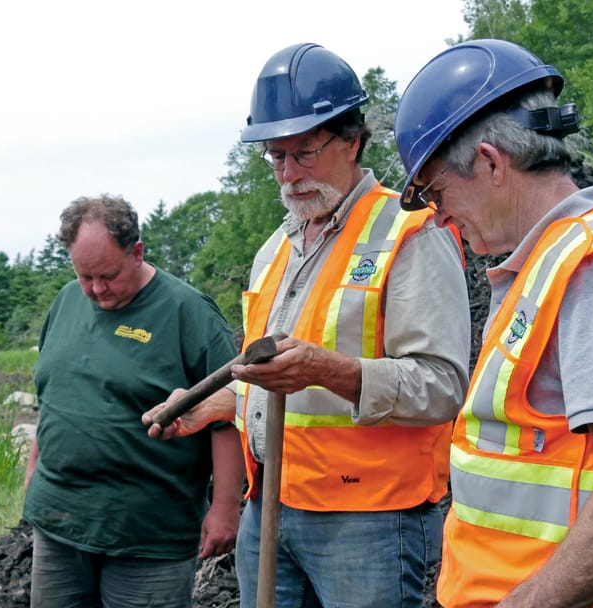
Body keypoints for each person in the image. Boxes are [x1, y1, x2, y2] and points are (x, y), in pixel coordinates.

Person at [150, 43, 472, 607]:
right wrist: (217, 405)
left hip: (367, 522)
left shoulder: (410, 234)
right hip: (268, 506)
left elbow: (443, 388)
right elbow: (270, 381)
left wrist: (329, 371)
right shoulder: (276, 249)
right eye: (276, 158)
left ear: (352, 140)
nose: (289, 174)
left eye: (304, 153)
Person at [394, 39, 593, 607]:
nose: (440, 215)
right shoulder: (543, 265)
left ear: (489, 162)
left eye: (436, 192)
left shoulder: (590, 270)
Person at [22, 194, 244, 607]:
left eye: (108, 275)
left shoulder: (187, 312)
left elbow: (230, 413)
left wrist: (225, 507)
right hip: (58, 523)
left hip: (148, 536)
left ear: (137, 251)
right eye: (85, 276)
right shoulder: (67, 302)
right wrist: (35, 466)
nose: (97, 289)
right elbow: (53, 392)